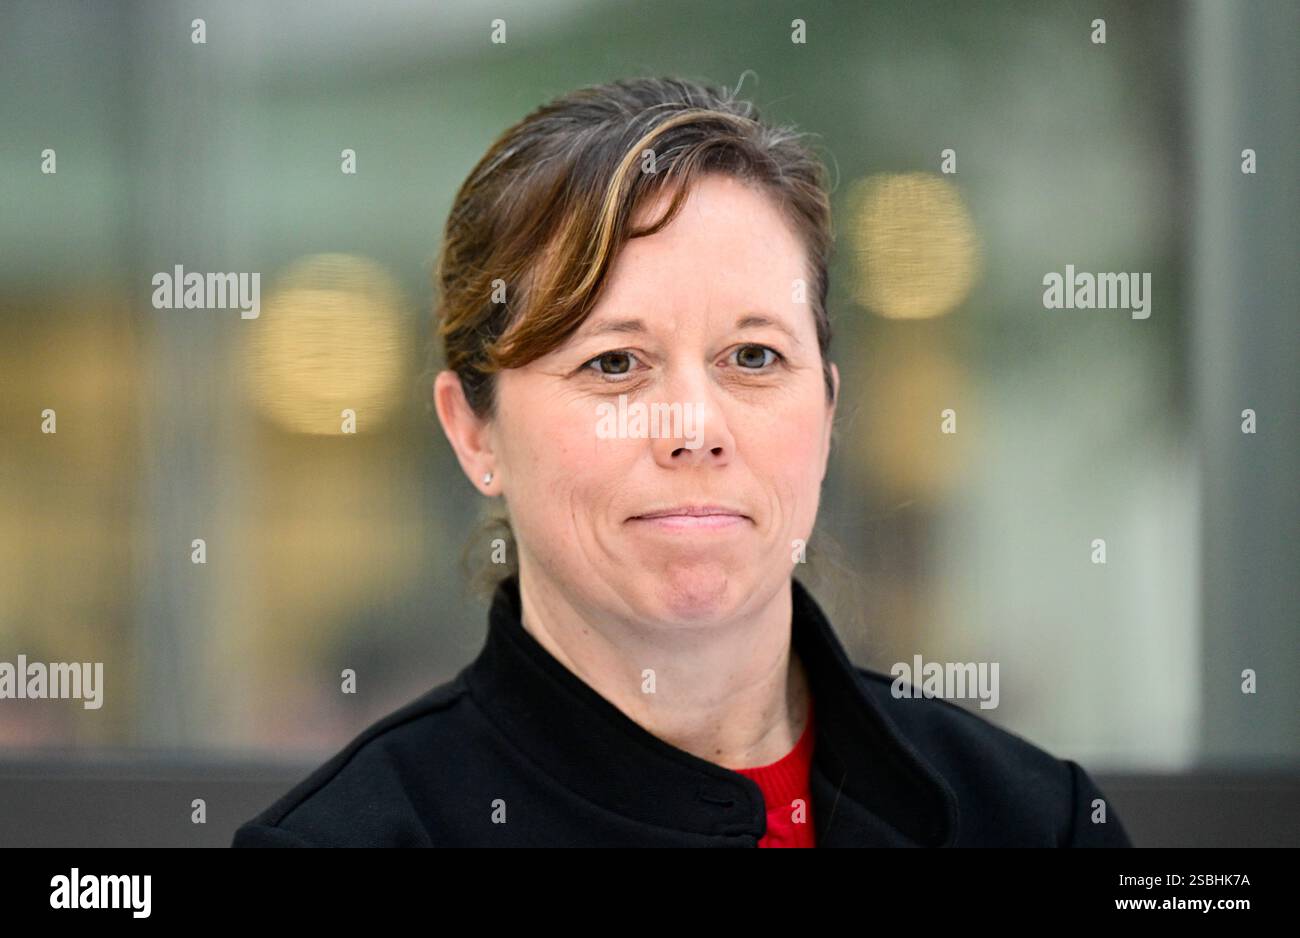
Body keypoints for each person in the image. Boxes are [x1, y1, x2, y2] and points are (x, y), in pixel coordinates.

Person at [232, 76, 1132, 847]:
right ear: (474, 430)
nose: (693, 428)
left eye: (753, 357)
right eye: (614, 363)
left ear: (825, 411)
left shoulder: (1030, 822)